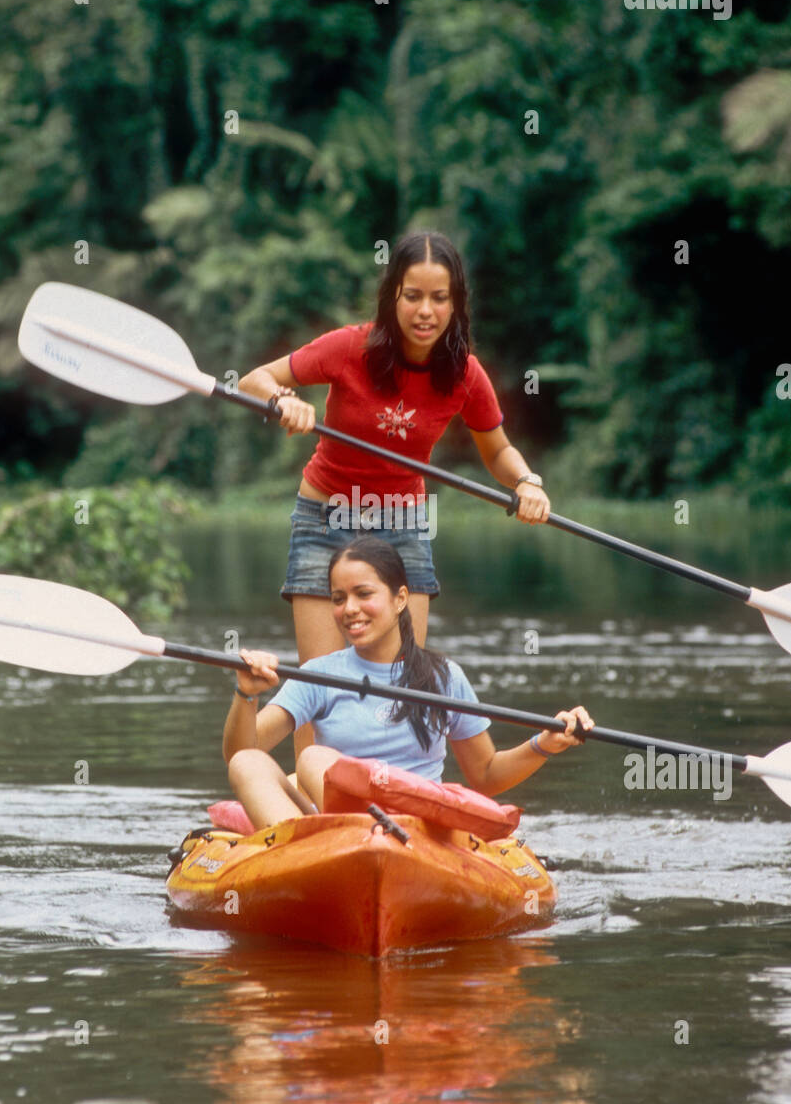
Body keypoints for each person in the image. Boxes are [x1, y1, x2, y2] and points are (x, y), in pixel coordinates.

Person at [237, 230, 551, 677]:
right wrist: (282, 400)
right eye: (413, 296)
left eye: (440, 298)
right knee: (320, 685)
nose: (426, 311)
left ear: (456, 303)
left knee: (401, 687)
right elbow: (253, 380)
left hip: (402, 525)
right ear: (393, 298)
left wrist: (526, 481)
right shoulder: (348, 347)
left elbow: (499, 450)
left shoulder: (465, 373)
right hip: (326, 516)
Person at [222, 537, 592, 830]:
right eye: (338, 598)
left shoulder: (443, 677)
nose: (349, 609)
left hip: (418, 829)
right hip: (338, 832)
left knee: (315, 758)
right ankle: (301, 853)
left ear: (400, 599)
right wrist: (246, 695)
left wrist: (543, 744)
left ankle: (371, 835)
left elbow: (485, 774)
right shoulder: (318, 674)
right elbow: (243, 752)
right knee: (270, 763)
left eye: (363, 594)